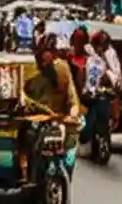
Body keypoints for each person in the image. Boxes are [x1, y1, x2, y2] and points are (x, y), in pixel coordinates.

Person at [21, 34, 81, 177]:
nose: (47, 56)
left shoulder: (63, 69)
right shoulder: (30, 70)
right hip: (35, 120)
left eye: (50, 51)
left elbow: (72, 97)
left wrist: (73, 114)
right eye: (44, 51)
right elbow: (22, 95)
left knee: (71, 146)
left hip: (59, 120)